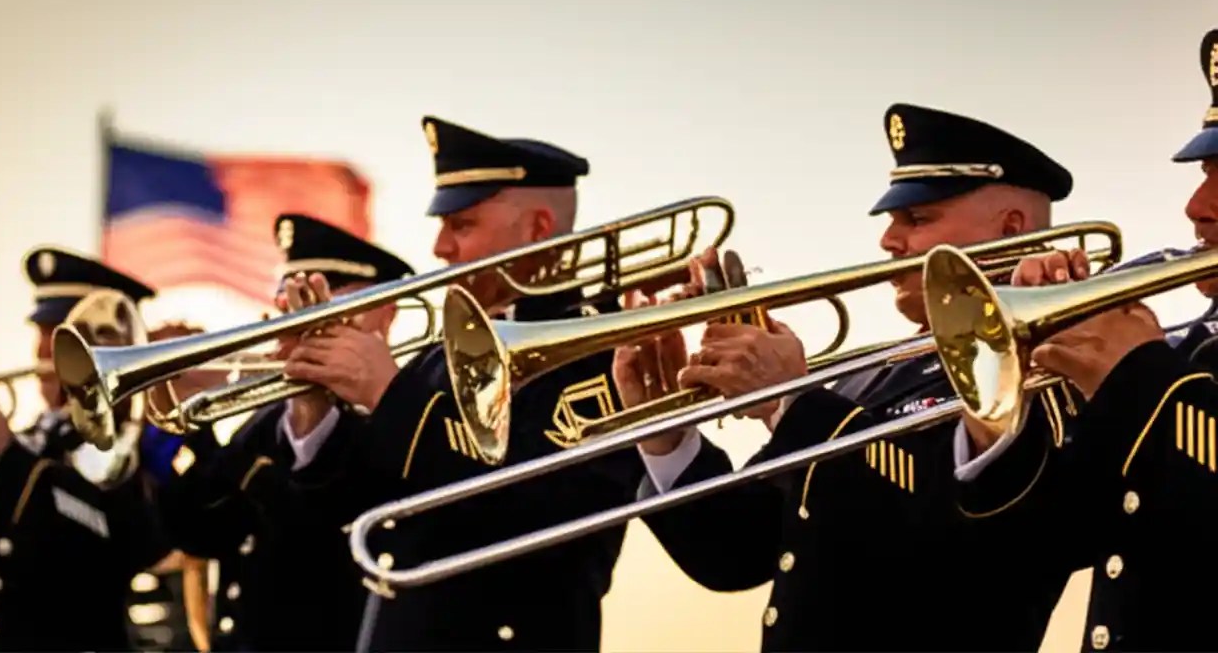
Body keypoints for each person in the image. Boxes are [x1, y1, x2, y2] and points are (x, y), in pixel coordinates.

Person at [619, 103, 1081, 650]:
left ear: (1011, 228)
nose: (889, 241)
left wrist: (789, 403)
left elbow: (956, 527)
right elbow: (735, 551)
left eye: (918, 219)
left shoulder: (1051, 364)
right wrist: (667, 433)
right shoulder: (870, 377)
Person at [281, 115, 644, 652]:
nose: (439, 248)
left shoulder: (603, 346)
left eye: (463, 225)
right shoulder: (439, 353)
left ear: (539, 229)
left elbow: (543, 516)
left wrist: (390, 395)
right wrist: (315, 413)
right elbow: (356, 520)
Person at [954, 27, 1218, 652]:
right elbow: (1040, 544)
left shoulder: (1167, 372)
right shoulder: (1197, 351)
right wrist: (1011, 389)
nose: (1196, 205)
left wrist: (1139, 379)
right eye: (1207, 172)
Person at [156, 212, 416, 651]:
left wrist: (313, 411)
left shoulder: (404, 413)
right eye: (290, 303)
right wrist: (187, 414)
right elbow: (198, 530)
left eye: (315, 301)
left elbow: (315, 542)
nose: (296, 319)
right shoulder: (266, 421)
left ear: (382, 313)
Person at [0, 247, 173, 650]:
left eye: (62, 334)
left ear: (114, 343)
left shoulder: (128, 448)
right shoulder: (21, 442)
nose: (45, 351)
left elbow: (120, 549)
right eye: (43, 333)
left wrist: (2, 456)